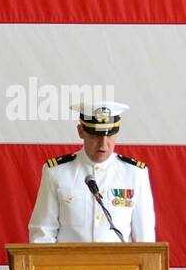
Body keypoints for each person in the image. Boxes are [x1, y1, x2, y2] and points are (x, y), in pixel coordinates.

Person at [28, 101, 155, 242]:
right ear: (81, 131)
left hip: (120, 264)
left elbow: (145, 237)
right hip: (69, 263)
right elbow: (43, 232)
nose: (103, 143)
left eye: (110, 135)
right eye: (96, 135)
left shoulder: (134, 173)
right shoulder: (57, 172)